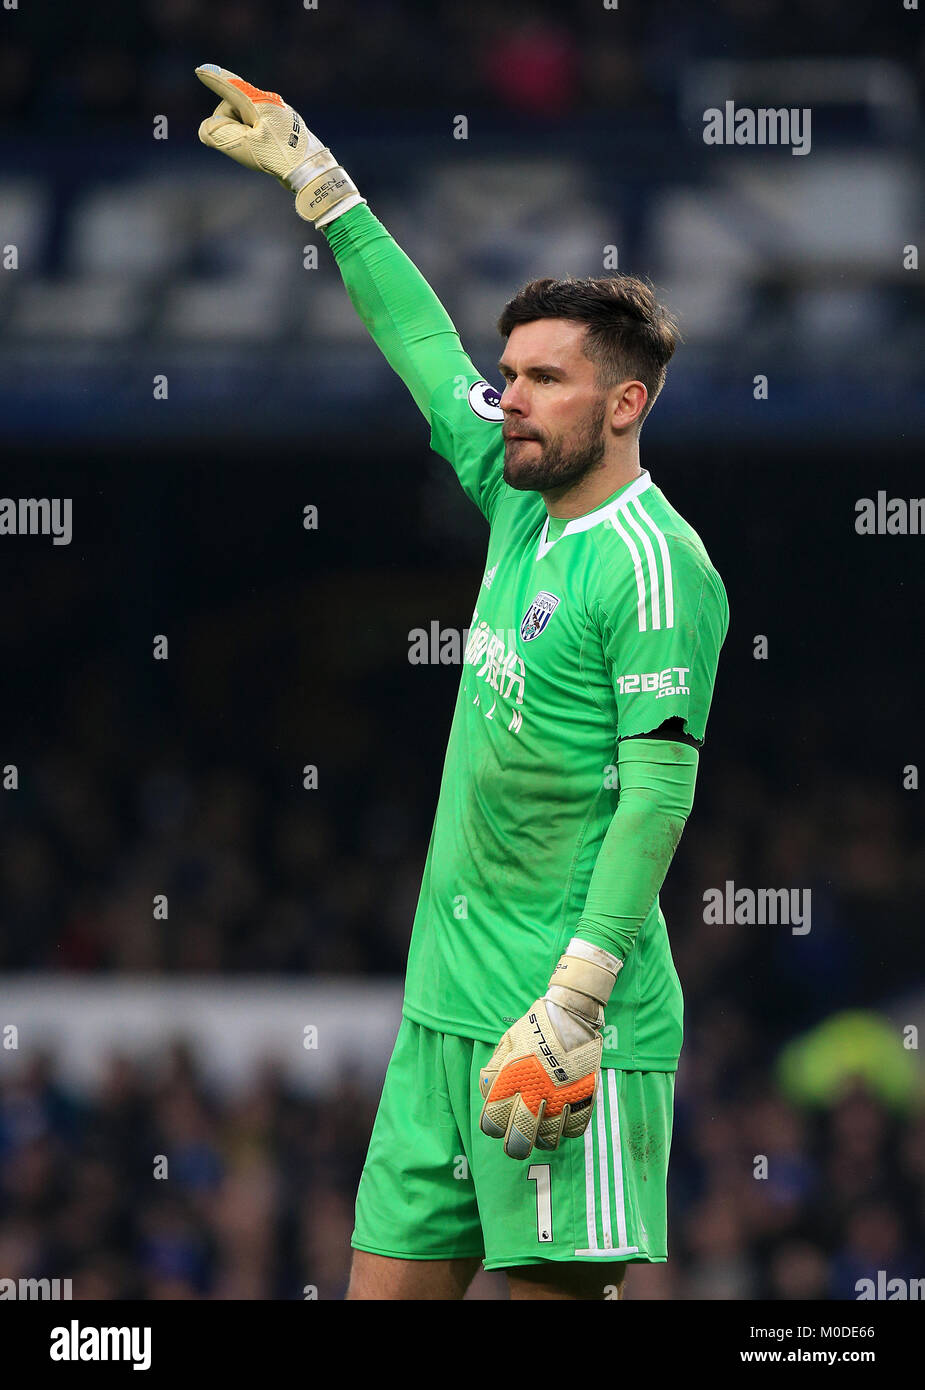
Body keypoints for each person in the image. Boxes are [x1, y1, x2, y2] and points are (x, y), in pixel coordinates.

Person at [195, 65, 730, 1301]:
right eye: (515, 372)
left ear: (627, 401)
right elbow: (423, 348)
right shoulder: (514, 489)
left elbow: (655, 798)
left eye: (545, 379)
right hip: (442, 1016)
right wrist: (324, 187)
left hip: (560, 1024)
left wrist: (579, 998)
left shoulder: (658, 569)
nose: (513, 399)